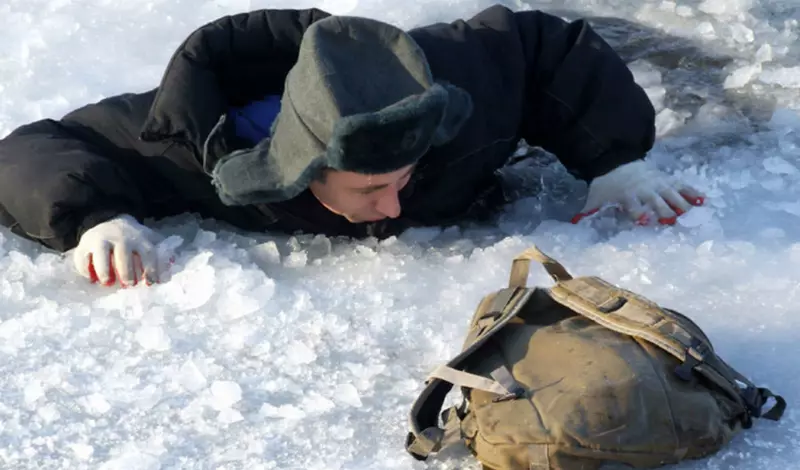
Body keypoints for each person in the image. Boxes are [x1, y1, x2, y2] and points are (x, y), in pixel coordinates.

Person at [0, 5, 704, 288]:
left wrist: (616, 162)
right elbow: (32, 147)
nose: (394, 203)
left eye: (404, 177)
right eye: (370, 189)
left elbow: (543, 43)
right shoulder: (187, 141)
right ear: (303, 167)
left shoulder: (457, 84)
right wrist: (93, 216)